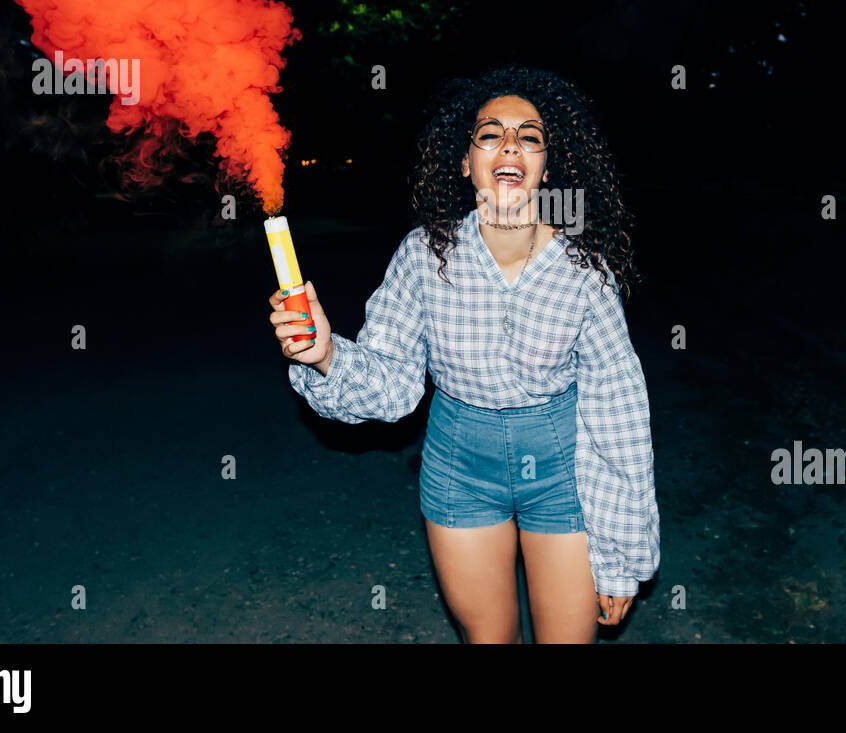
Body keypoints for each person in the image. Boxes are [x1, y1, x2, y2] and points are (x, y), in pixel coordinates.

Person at [268, 64, 659, 643]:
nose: (510, 144)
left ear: (546, 169)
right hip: (458, 462)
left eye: (530, 136)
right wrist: (325, 355)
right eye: (489, 133)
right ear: (465, 162)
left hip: (562, 468)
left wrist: (624, 553)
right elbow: (395, 384)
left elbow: (619, 414)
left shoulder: (585, 273)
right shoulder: (425, 255)